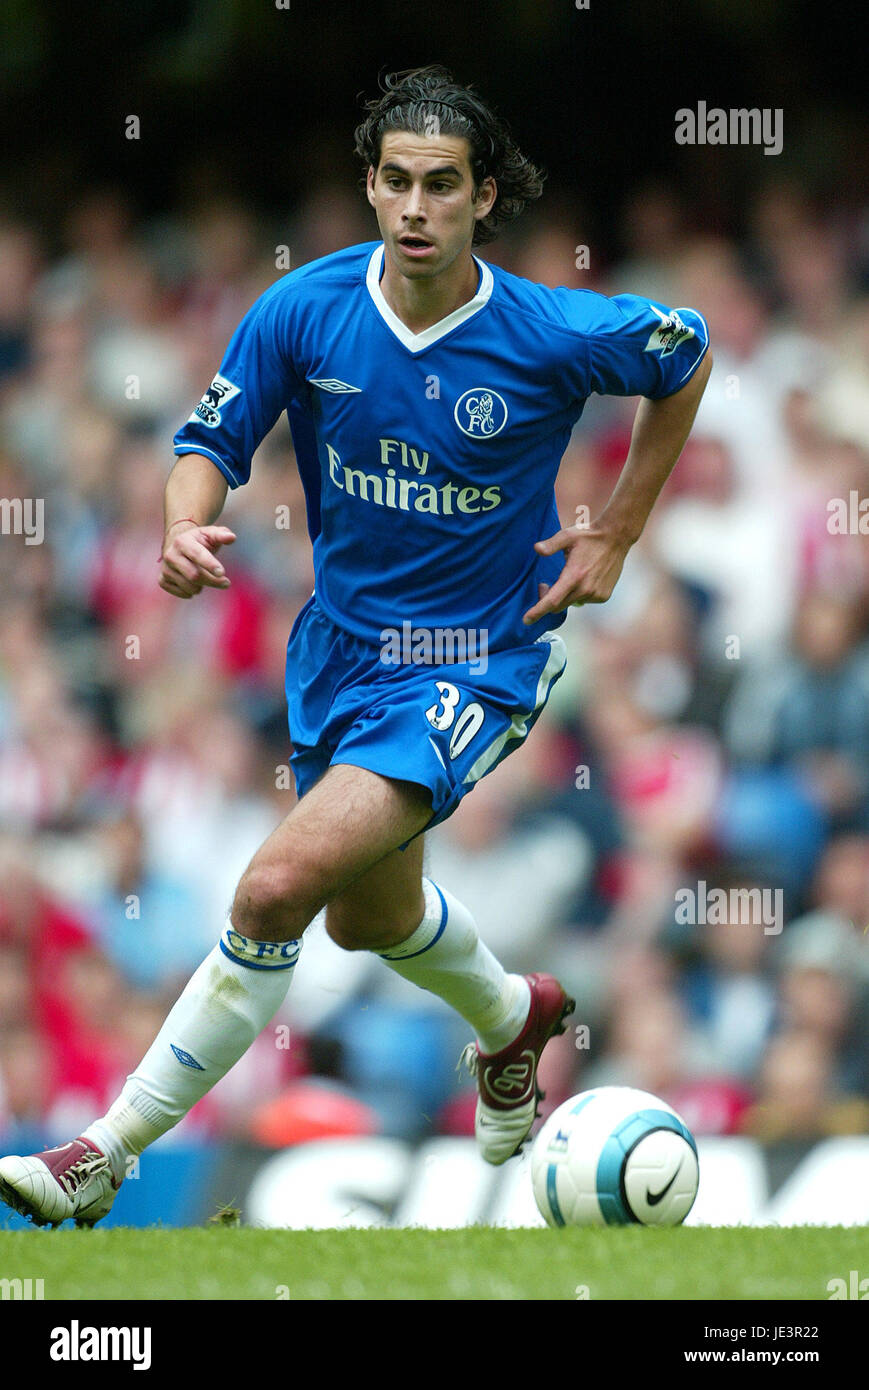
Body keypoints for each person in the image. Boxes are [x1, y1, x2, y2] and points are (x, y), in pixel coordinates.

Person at [0, 65, 712, 1227]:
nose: (417, 206)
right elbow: (210, 437)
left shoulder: (547, 328)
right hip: (338, 656)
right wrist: (183, 520)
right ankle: (513, 1018)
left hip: (479, 661)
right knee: (368, 920)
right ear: (370, 189)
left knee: (276, 886)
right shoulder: (304, 309)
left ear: (484, 197)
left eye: (443, 185)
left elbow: (681, 358)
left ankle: (102, 1152)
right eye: (396, 182)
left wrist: (618, 532)